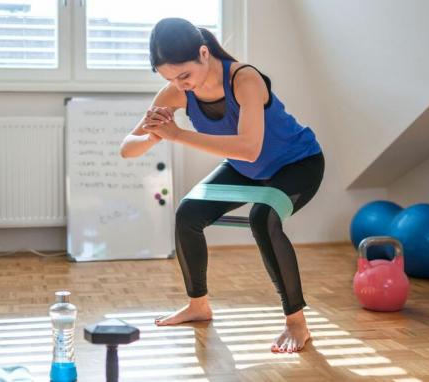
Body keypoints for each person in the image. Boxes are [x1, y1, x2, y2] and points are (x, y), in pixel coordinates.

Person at [120, 18, 324, 354]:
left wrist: (178, 135)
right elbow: (128, 148)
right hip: (246, 169)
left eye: (184, 75)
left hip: (297, 164)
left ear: (203, 53)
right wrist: (153, 131)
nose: (179, 86)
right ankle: (198, 305)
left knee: (264, 218)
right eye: (169, 79)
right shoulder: (176, 91)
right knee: (187, 213)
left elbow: (249, 147)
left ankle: (296, 323)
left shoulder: (244, 79)